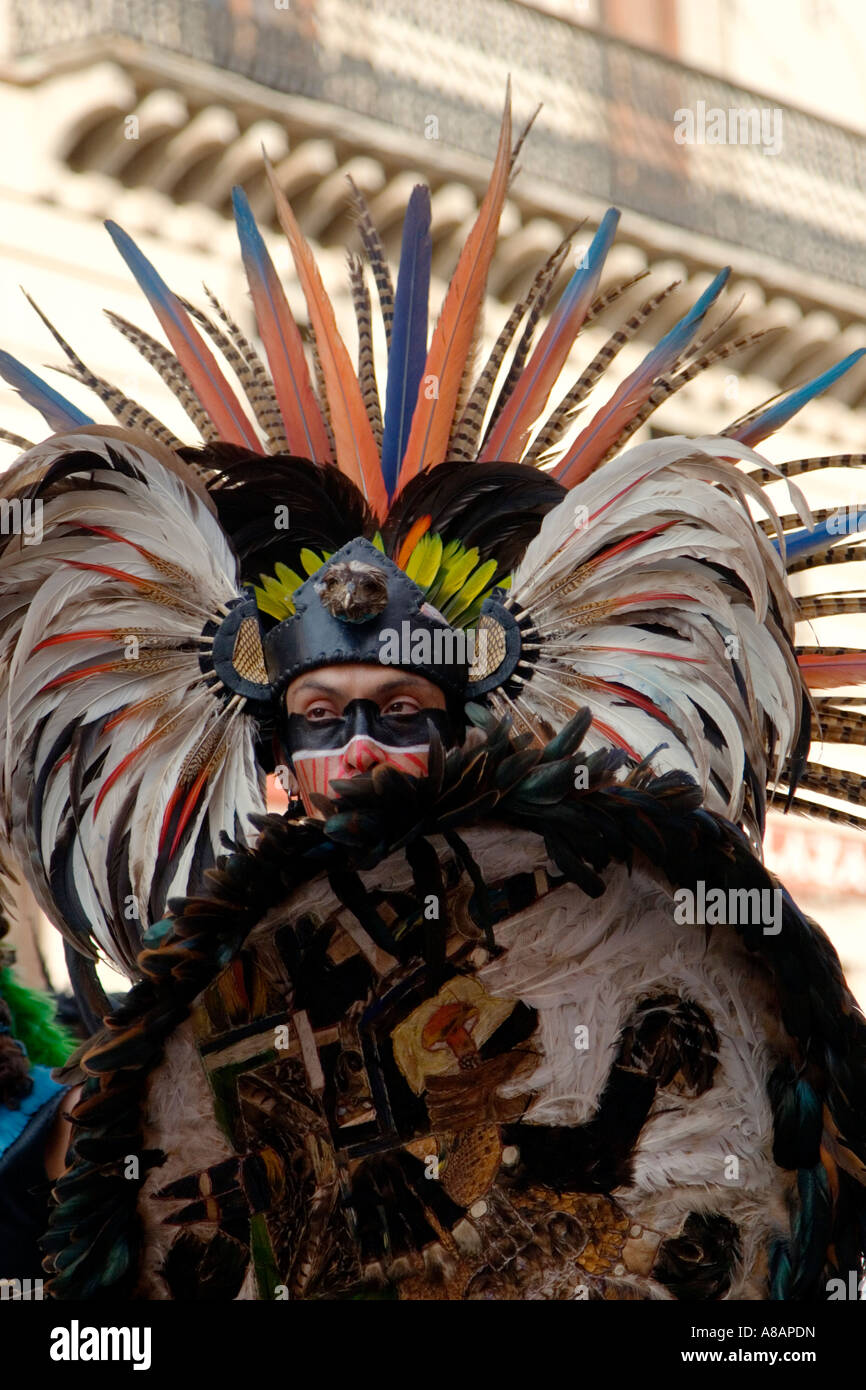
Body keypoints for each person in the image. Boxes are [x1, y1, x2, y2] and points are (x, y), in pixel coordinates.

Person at [1, 89, 865, 1300]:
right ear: (272, 755)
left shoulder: (625, 946)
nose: (360, 750)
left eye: (401, 715)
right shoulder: (139, 1073)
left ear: (466, 733)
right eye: (323, 718)